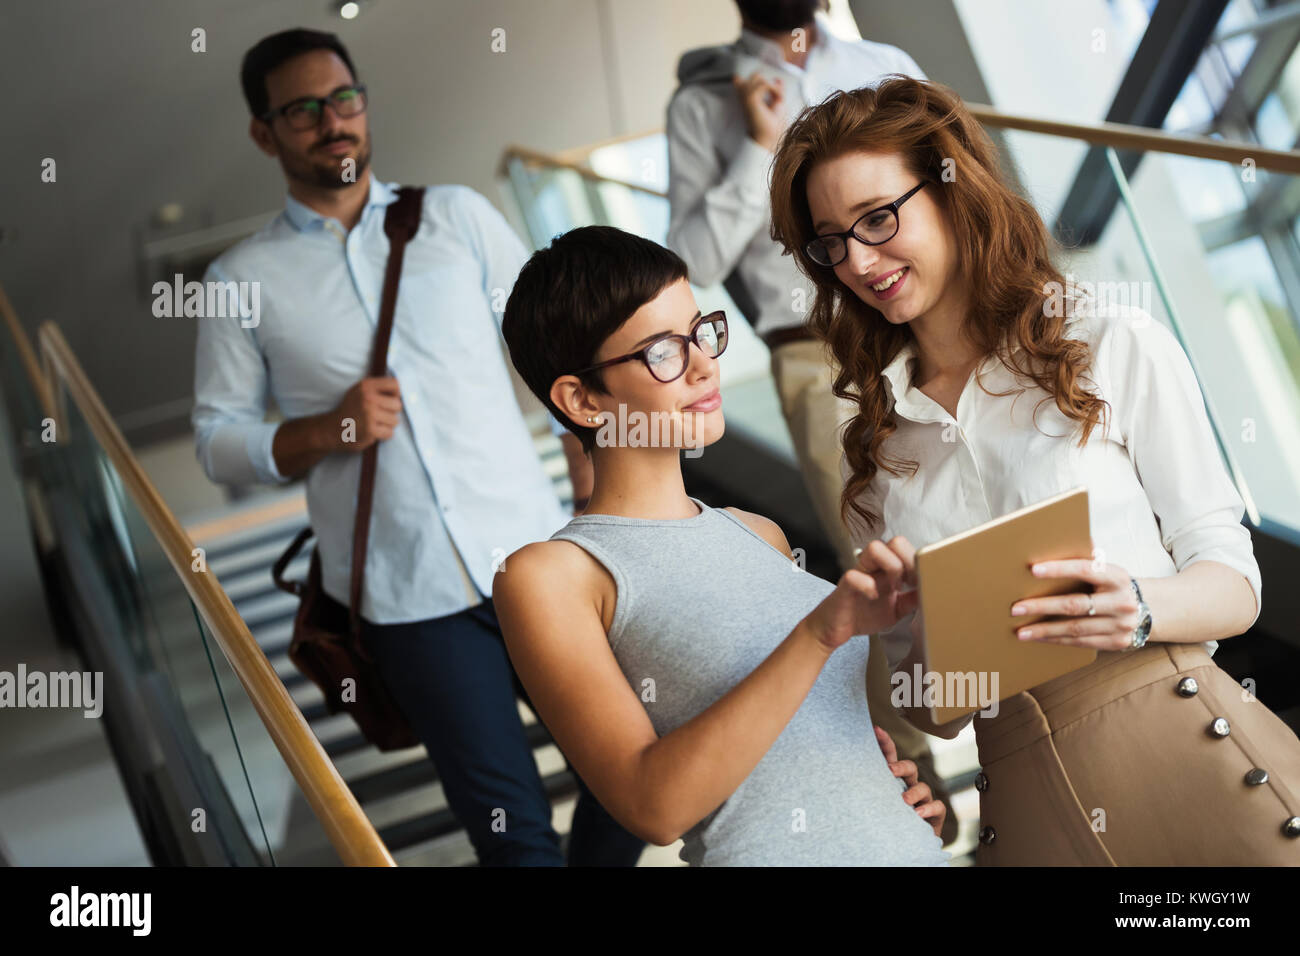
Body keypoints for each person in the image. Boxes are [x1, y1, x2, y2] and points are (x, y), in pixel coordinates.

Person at [768, 75, 1300, 864]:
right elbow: (937, 715)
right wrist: (905, 639)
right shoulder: (874, 447)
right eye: (831, 242)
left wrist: (1141, 608)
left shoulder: (1106, 341)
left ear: (953, 191)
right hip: (1029, 805)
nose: (858, 260)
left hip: (1193, 755)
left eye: (878, 219)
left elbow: (1235, 582)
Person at [192, 27, 643, 866]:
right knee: (511, 834)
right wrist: (329, 430)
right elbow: (216, 444)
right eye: (303, 110)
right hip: (408, 602)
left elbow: (552, 348)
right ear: (265, 132)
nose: (333, 123)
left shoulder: (457, 216)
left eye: (344, 99)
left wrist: (592, 474)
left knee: (635, 775)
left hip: (536, 559)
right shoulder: (237, 282)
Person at [493, 224, 950, 866]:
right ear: (584, 399)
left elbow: (800, 745)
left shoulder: (757, 532)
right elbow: (652, 805)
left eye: (699, 330)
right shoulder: (551, 576)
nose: (706, 362)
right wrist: (820, 632)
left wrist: (884, 794)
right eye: (662, 351)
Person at [664, 0, 954, 841]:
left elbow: (948, 186)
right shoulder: (703, 104)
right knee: (879, 560)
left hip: (929, 323)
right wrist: (759, 149)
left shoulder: (883, 57)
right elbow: (689, 262)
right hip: (815, 351)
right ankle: (914, 791)